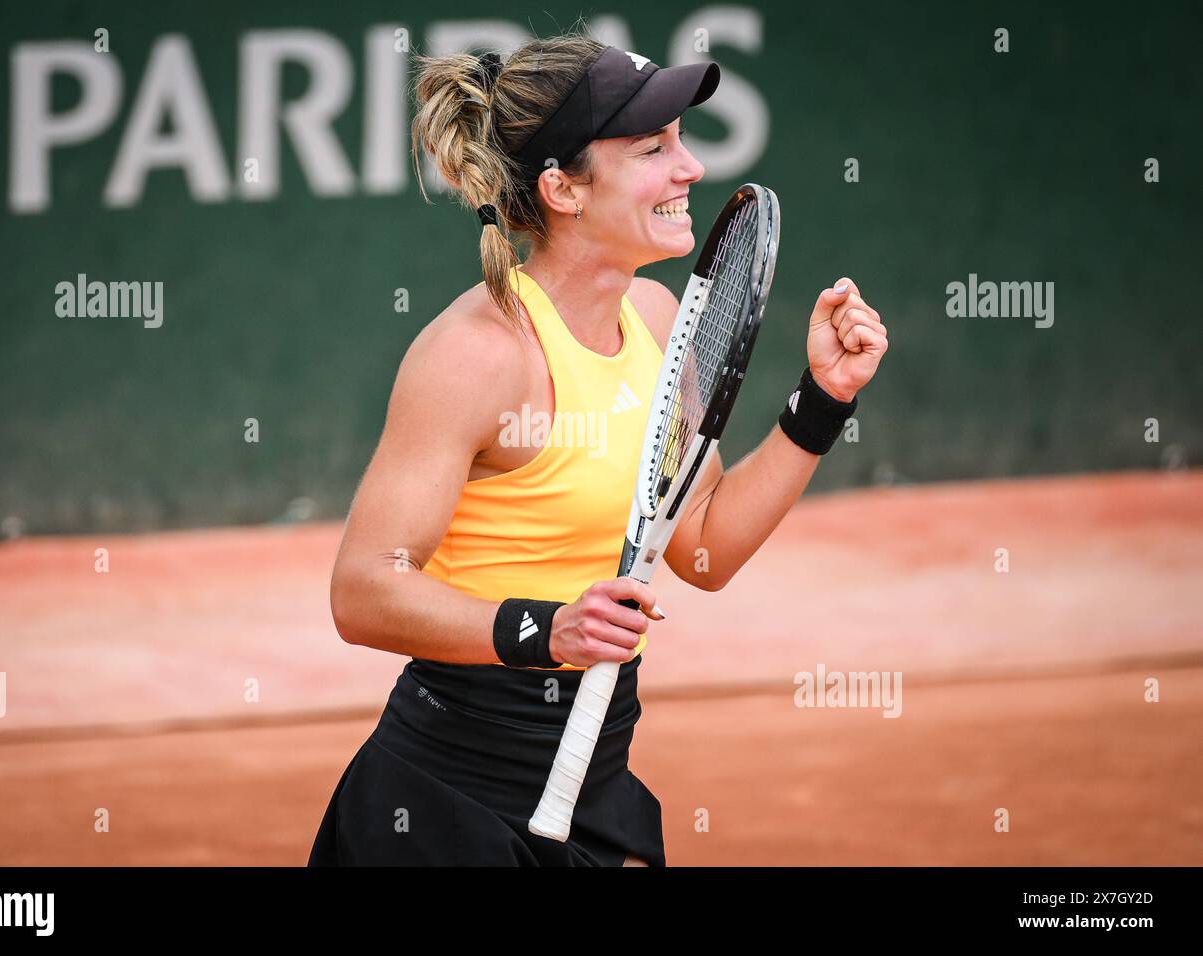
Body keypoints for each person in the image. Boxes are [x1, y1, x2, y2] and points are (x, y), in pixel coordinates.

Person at [307, 31, 888, 867]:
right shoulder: (475, 357)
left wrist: (823, 400)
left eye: (683, 142)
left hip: (588, 784)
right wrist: (546, 631)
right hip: (442, 809)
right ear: (562, 187)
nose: (689, 168)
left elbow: (701, 548)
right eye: (654, 149)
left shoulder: (657, 320)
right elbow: (361, 593)